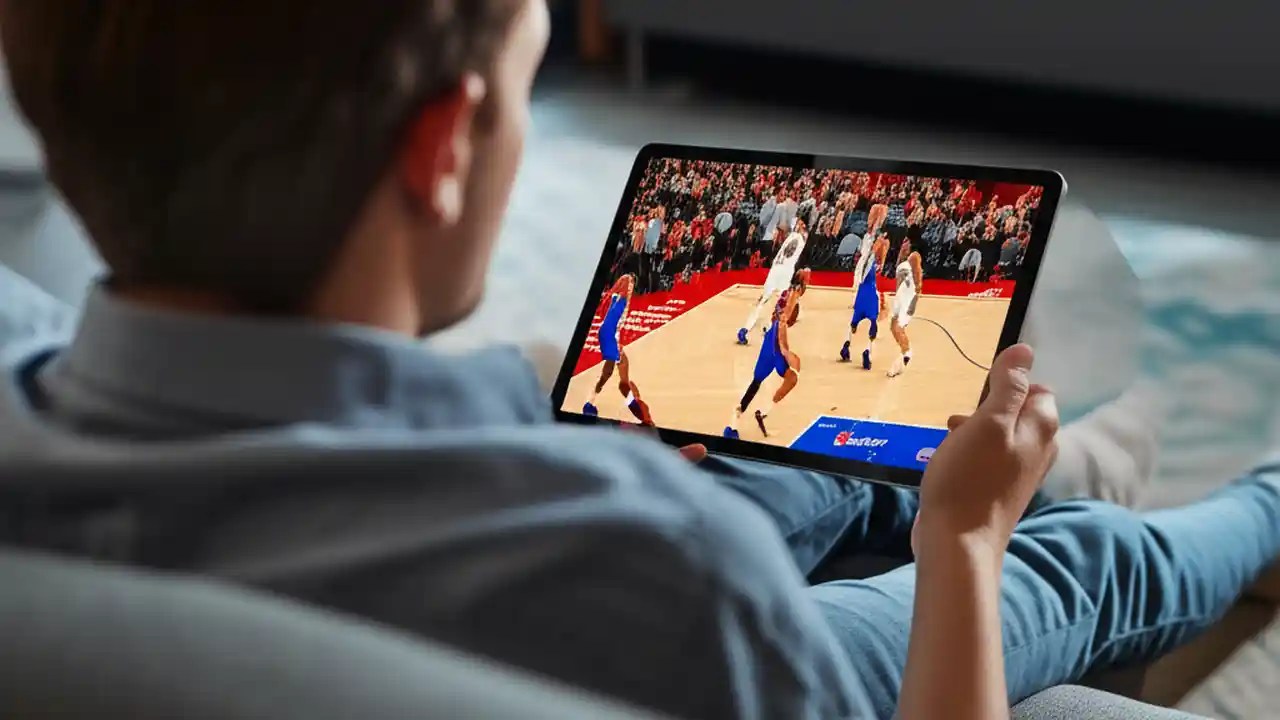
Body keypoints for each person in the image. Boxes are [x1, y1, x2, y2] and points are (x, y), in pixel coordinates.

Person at [1, 4, 1278, 720]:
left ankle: (1030, 472)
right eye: (522, 74)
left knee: (793, 461)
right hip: (646, 647)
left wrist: (524, 410)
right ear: (443, 149)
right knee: (1056, 562)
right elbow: (675, 583)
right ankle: (1216, 500)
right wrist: (961, 546)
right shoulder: (671, 579)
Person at [726, 269, 809, 440]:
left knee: (756, 382)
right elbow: (783, 320)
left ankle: (734, 422)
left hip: (770, 337)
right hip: (776, 339)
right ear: (802, 281)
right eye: (807, 275)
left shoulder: (788, 291)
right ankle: (763, 412)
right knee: (793, 376)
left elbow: (776, 317)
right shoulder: (794, 294)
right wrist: (784, 348)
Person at [582, 274, 653, 425]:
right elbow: (612, 325)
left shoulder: (615, 297)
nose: (632, 286)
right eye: (631, 283)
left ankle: (590, 401)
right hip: (610, 336)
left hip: (607, 334)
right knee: (620, 376)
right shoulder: (622, 300)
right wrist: (615, 343)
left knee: (607, 373)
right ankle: (634, 407)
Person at [738, 218, 808, 345]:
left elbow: (785, 228)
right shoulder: (801, 238)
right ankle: (769, 328)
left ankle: (745, 329)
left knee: (763, 300)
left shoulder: (790, 236)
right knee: (781, 303)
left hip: (775, 268)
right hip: (785, 270)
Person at [841, 234, 888, 369]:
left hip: (860, 296)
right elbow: (878, 259)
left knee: (854, 324)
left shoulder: (860, 264)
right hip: (871, 296)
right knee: (873, 326)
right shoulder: (871, 262)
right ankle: (868, 352)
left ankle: (846, 345)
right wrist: (881, 245)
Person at [888, 250, 924, 378]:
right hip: (901, 295)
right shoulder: (902, 262)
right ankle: (904, 350)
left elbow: (918, 275)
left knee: (898, 327)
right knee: (892, 326)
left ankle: (907, 354)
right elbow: (899, 281)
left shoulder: (914, 256)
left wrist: (918, 289)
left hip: (909, 297)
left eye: (906, 242)